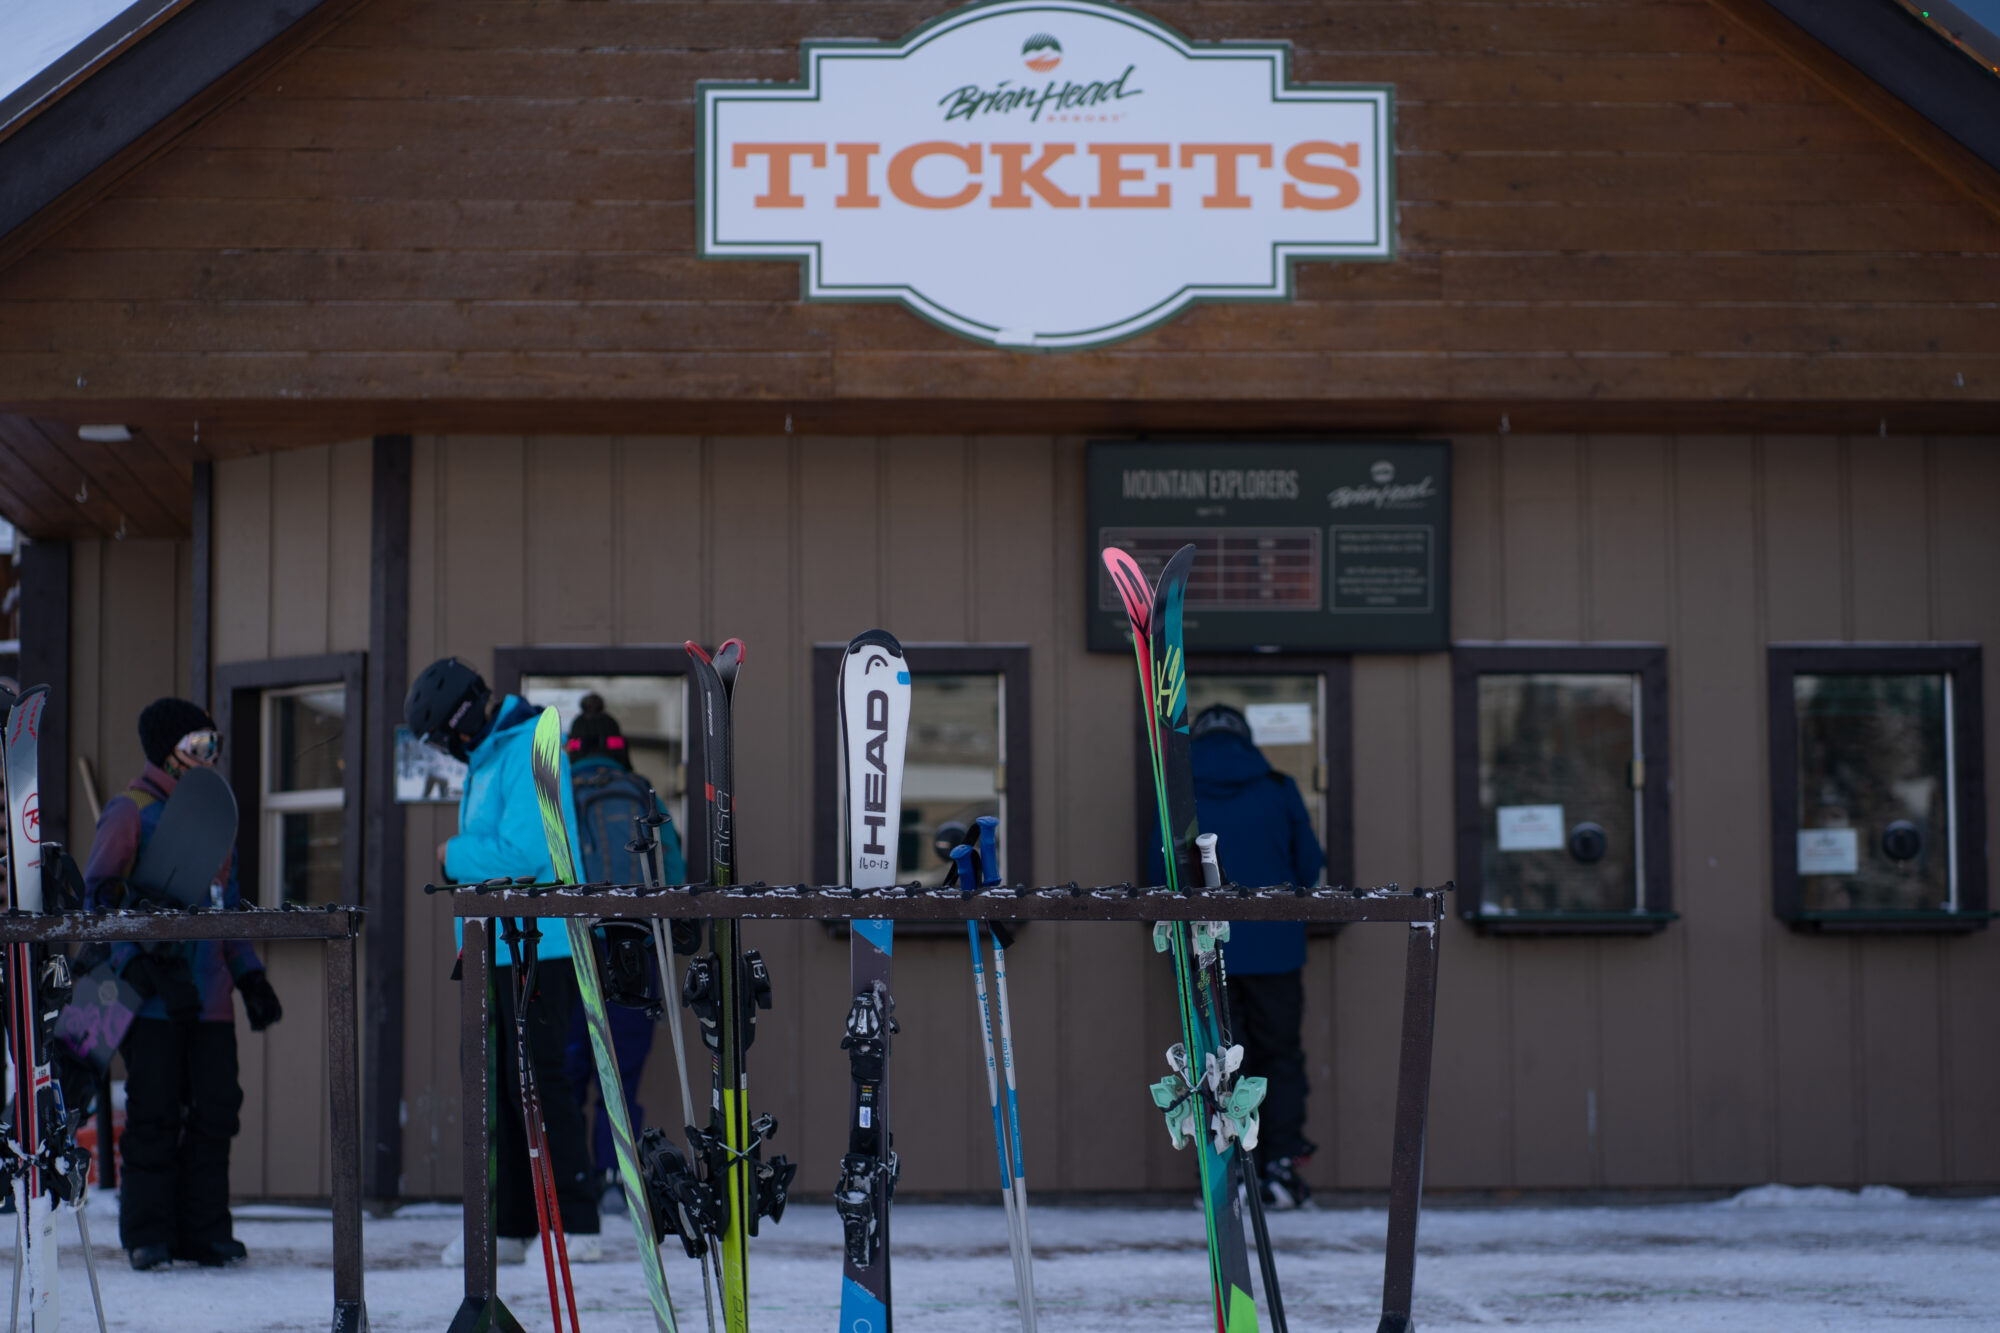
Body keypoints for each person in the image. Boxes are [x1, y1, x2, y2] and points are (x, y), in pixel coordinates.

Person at [406, 657, 601, 1265]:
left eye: (444, 738)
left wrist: (450, 853)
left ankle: (576, 1224)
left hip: (541, 945)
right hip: (492, 945)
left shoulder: (533, 748)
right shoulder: (488, 759)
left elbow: (527, 851)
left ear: (459, 723)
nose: (448, 750)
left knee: (542, 1085)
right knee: (499, 1089)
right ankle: (514, 1225)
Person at [82, 697, 283, 1270]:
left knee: (218, 1107)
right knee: (155, 1111)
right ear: (166, 753)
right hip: (151, 997)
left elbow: (228, 907)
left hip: (211, 992)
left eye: (213, 746)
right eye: (198, 747)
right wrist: (129, 962)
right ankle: (149, 1233)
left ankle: (206, 1231)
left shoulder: (218, 817)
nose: (208, 758)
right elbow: (99, 899)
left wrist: (251, 978)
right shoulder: (130, 811)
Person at [1153, 702, 1326, 1209]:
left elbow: (1157, 872)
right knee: (1278, 1055)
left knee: (1214, 1061)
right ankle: (1279, 1165)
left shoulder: (1179, 796)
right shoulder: (1278, 788)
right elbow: (1309, 866)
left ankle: (1224, 1168)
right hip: (1274, 946)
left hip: (1203, 953)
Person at [559, 695, 688, 1213]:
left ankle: (571, 1181)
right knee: (621, 1071)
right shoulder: (641, 793)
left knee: (568, 1067)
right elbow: (672, 872)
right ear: (621, 748)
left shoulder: (558, 796)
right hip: (635, 939)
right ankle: (615, 1176)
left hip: (572, 944)